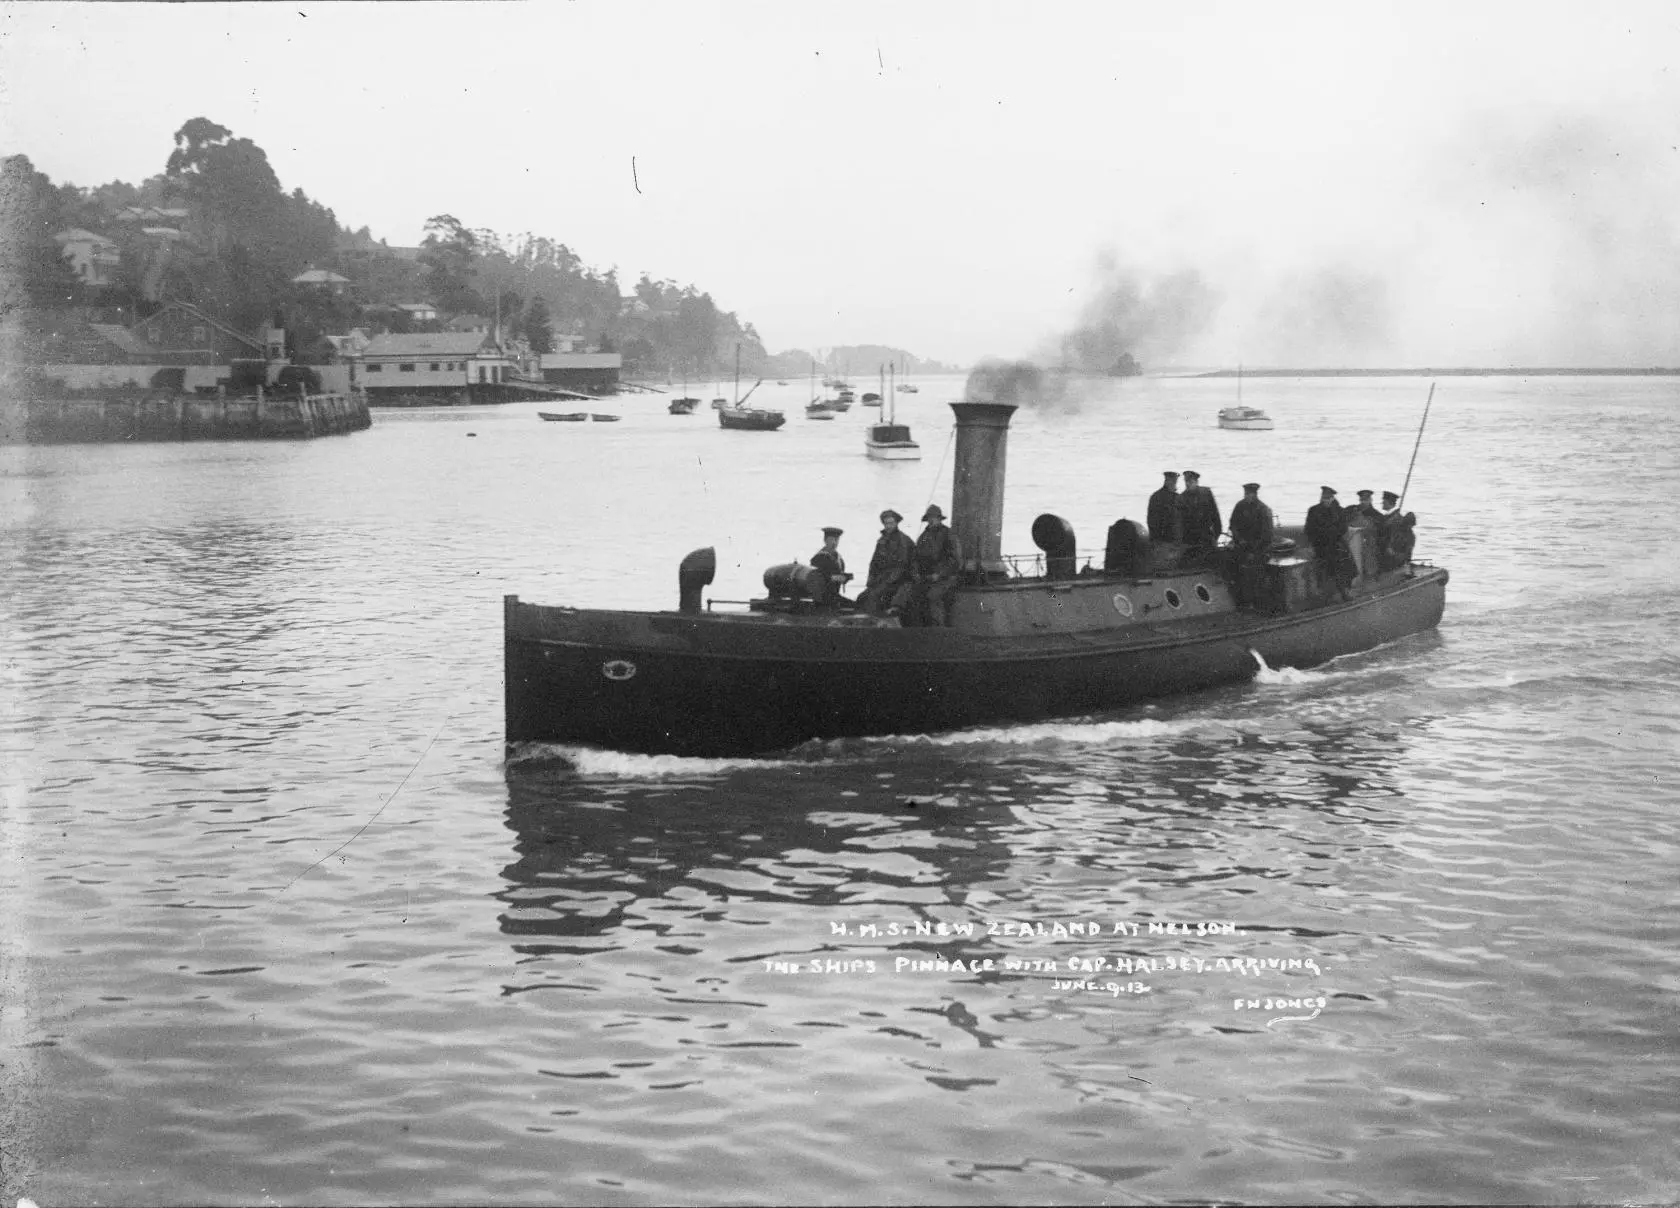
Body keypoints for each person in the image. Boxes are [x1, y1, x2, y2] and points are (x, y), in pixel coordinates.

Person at [893, 503, 963, 626]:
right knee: (908, 592)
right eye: (929, 517)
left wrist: (940, 574)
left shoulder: (949, 535)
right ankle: (913, 629)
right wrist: (915, 574)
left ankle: (939, 630)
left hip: (945, 578)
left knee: (933, 596)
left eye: (934, 517)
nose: (931, 520)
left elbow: (955, 560)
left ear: (939, 519)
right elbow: (915, 559)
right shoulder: (923, 537)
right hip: (926, 577)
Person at [858, 509, 916, 613]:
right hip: (883, 578)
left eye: (891, 523)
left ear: (896, 523)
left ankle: (877, 622)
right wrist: (871, 580)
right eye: (886, 523)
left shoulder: (903, 540)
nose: (888, 526)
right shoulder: (881, 541)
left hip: (900, 580)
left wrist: (887, 582)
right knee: (862, 597)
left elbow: (902, 566)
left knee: (874, 596)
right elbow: (874, 563)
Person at [1227, 482, 1274, 608]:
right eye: (1245, 494)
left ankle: (1256, 603)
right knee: (1234, 569)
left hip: (1258, 549)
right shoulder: (1240, 506)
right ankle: (1240, 600)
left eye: (1249, 494)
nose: (1247, 496)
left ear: (1255, 494)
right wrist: (1238, 539)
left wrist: (1253, 549)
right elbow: (1233, 524)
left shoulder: (1263, 510)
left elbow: (1266, 534)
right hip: (1241, 546)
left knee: (1255, 575)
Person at [1305, 485, 1355, 599]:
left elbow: (1343, 529)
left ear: (1332, 498)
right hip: (1319, 545)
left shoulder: (1339, 511)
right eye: (1324, 497)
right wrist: (1314, 542)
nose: (1325, 500)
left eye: (1328, 498)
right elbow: (1308, 529)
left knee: (1342, 560)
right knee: (1325, 562)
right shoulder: (1313, 511)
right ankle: (1324, 592)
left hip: (1336, 544)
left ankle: (1344, 590)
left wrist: (1330, 533)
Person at [1179, 470, 1222, 551]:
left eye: (1190, 481)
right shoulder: (1181, 498)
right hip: (1189, 540)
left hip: (1207, 538)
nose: (1188, 484)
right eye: (1186, 481)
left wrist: (1216, 536)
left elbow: (1215, 516)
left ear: (1196, 481)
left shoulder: (1206, 493)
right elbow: (1179, 522)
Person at [809, 526, 851, 607]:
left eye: (837, 540)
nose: (834, 543)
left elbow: (838, 575)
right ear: (825, 540)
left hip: (834, 597)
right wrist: (833, 578)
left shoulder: (839, 558)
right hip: (822, 600)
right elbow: (815, 579)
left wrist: (845, 577)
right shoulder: (818, 558)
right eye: (831, 540)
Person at [1146, 471, 1181, 543]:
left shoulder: (1177, 497)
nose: (1174, 484)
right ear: (1166, 481)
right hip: (1163, 539)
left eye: (1175, 481)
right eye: (1173, 481)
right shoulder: (1157, 497)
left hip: (1174, 540)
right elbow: (1152, 521)